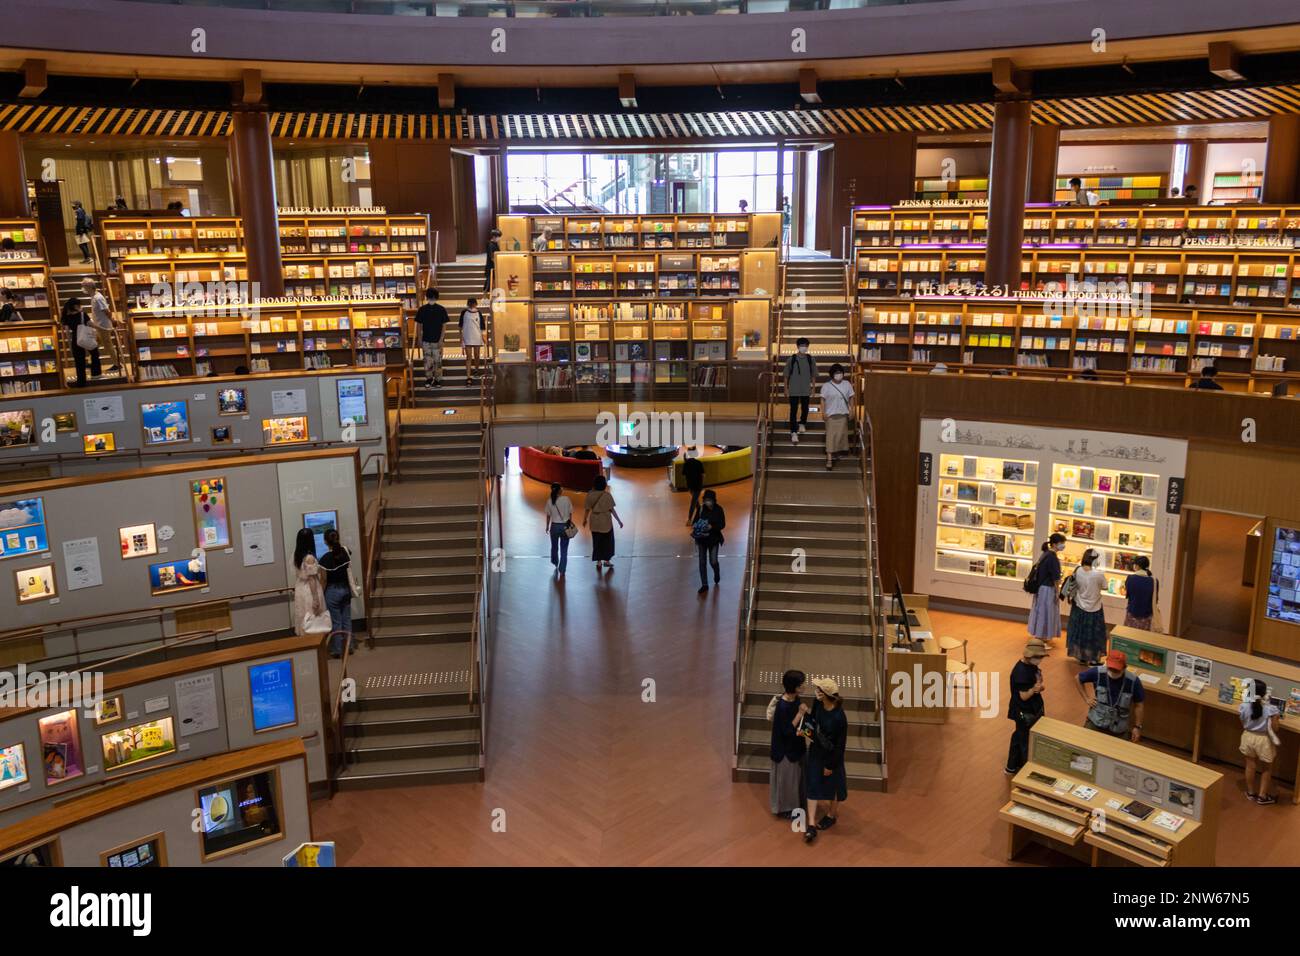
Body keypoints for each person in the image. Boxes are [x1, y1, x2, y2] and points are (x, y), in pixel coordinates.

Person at [802, 677, 847, 844]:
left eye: (819, 689)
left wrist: (830, 765)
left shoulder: (839, 717)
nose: (816, 692)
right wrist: (806, 728)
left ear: (826, 695)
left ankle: (831, 815)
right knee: (813, 785)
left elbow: (840, 746)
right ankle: (811, 825)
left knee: (834, 788)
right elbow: (813, 721)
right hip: (816, 751)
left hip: (831, 757)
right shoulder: (818, 703)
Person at [1077, 650, 1145, 742]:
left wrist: (1137, 727)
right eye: (1111, 668)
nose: (1112, 672)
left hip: (1119, 728)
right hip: (1096, 721)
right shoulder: (1097, 672)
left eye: (1116, 670)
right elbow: (1078, 679)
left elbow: (1139, 705)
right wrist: (1087, 699)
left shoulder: (1133, 681)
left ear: (1124, 667)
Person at [1005, 638, 1049, 774]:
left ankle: (1012, 766)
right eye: (1038, 657)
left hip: (1033, 709)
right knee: (1025, 742)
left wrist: (1038, 687)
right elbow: (1023, 696)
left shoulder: (1031, 666)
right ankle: (1025, 771)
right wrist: (1034, 689)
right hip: (1024, 712)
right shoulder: (1020, 672)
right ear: (1030, 656)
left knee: (1019, 737)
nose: (1040, 660)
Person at [769, 669, 807, 817]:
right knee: (787, 781)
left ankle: (794, 805)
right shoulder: (782, 706)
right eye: (801, 684)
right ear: (795, 687)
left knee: (794, 780)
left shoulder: (795, 699)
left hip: (795, 746)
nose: (804, 686)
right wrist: (800, 714)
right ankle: (785, 809)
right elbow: (786, 731)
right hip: (785, 750)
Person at [318, 529, 359, 658]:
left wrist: (320, 594)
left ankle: (338, 649)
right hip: (345, 589)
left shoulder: (325, 559)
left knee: (336, 622)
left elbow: (324, 580)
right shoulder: (345, 553)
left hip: (332, 591)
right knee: (346, 620)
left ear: (325, 541)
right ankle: (349, 646)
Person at [1240, 678, 1280, 805]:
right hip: (1264, 739)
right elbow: (1275, 728)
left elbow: (1243, 722)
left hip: (1247, 736)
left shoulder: (1243, 706)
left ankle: (1251, 792)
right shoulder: (1271, 709)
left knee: (1250, 765)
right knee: (1266, 768)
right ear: (1264, 693)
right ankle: (1262, 796)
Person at [1065, 547, 1108, 665]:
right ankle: (1094, 658)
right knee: (1095, 633)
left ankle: (1082, 656)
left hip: (1079, 605)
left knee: (1080, 631)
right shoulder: (1098, 574)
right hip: (1095, 607)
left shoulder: (1078, 570)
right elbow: (1105, 586)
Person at [1027, 532, 1066, 648]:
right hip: (1048, 589)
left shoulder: (1045, 554)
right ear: (1054, 544)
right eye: (1061, 543)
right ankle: (1041, 640)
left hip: (1041, 588)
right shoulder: (1053, 558)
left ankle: (1040, 637)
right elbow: (1056, 578)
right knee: (1046, 613)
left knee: (1040, 612)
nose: (1063, 545)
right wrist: (1058, 591)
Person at [583, 475, 623, 572]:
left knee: (596, 542)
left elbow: (587, 509)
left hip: (594, 521)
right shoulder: (607, 495)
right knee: (608, 542)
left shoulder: (590, 494)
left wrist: (584, 519)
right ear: (604, 484)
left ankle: (599, 561)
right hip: (606, 522)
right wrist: (619, 520)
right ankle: (607, 561)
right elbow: (612, 510)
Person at [291, 528, 326, 636]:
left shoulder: (295, 555)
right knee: (313, 616)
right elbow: (311, 578)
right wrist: (315, 598)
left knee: (303, 616)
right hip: (310, 589)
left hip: (300, 587)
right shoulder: (309, 557)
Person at [81, 277, 120, 372]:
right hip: (98, 325)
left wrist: (113, 320)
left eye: (84, 286)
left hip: (103, 326)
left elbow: (106, 310)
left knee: (108, 346)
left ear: (89, 287)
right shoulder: (94, 296)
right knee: (93, 344)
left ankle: (117, 364)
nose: (83, 288)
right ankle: (92, 362)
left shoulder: (98, 298)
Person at [819, 363, 853, 471]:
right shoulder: (826, 386)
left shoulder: (847, 384)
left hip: (842, 414)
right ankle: (829, 458)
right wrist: (823, 412)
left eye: (840, 372)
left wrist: (852, 410)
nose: (839, 375)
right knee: (830, 436)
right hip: (831, 415)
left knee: (840, 436)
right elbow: (822, 400)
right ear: (832, 374)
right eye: (836, 373)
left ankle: (836, 453)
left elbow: (851, 397)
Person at [60, 296, 100, 387]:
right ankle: (95, 373)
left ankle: (81, 381)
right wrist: (101, 328)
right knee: (95, 353)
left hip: (76, 339)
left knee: (79, 361)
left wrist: (70, 345)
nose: (80, 306)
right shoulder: (82, 314)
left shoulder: (66, 316)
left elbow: (67, 333)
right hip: (86, 336)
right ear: (75, 306)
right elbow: (91, 324)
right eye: (78, 304)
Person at [692, 489, 726, 595]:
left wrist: (712, 526)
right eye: (706, 500)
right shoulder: (701, 509)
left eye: (709, 500)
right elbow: (695, 521)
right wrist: (697, 525)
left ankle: (716, 572)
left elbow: (722, 524)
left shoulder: (719, 509)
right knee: (702, 562)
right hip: (702, 539)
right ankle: (704, 584)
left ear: (713, 500)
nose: (707, 502)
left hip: (714, 539)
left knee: (713, 561)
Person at [415, 288, 449, 387]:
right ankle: (429, 379)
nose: (432, 299)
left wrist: (441, 339)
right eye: (431, 297)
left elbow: (444, 325)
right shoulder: (422, 309)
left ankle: (438, 379)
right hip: (426, 339)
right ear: (427, 297)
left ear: (436, 297)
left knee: (437, 361)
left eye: (433, 297)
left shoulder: (441, 309)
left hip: (437, 340)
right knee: (427, 361)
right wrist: (419, 339)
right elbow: (419, 325)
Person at [784, 338, 816, 445]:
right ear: (797, 346)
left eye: (806, 345)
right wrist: (785, 388)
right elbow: (786, 375)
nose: (804, 347)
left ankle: (802, 423)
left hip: (805, 389)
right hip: (794, 389)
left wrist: (813, 388)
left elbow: (813, 375)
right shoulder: (791, 359)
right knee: (793, 410)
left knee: (805, 407)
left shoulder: (810, 359)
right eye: (802, 345)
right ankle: (793, 432)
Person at [544, 482, 573, 577]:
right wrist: (569, 524)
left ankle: (555, 562)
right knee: (564, 549)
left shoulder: (550, 501)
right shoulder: (566, 499)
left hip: (554, 526)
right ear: (560, 490)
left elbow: (548, 516)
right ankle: (562, 569)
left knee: (554, 546)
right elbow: (570, 513)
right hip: (565, 526)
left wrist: (547, 526)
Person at [1123, 555, 1157, 631]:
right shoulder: (1154, 581)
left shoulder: (1130, 578)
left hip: (1132, 613)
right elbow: (1155, 599)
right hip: (1146, 616)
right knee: (1142, 638)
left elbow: (1128, 595)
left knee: (1129, 635)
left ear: (1137, 566)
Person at [460, 297, 484, 382]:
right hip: (467, 337)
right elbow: (460, 326)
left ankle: (476, 370)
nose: (472, 305)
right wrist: (461, 339)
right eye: (470, 303)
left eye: (473, 303)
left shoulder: (479, 313)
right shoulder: (464, 312)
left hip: (477, 337)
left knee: (477, 356)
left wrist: (483, 337)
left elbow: (482, 327)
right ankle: (468, 376)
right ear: (468, 304)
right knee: (468, 357)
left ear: (476, 304)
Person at [682, 447, 705, 526]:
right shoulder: (699, 463)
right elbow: (702, 475)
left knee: (693, 502)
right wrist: (702, 485)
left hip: (690, 486)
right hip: (698, 486)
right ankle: (700, 514)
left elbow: (684, 475)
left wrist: (685, 460)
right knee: (695, 502)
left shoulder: (686, 463)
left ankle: (689, 519)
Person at [483, 227, 501, 293]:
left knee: (492, 281)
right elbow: (491, 257)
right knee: (488, 283)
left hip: (494, 266)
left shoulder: (495, 244)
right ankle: (485, 297)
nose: (499, 238)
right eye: (498, 237)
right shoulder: (490, 244)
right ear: (494, 237)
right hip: (490, 266)